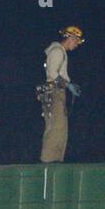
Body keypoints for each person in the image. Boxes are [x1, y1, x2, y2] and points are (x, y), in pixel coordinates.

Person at [39, 26, 84, 163]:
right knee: (55, 127)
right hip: (54, 92)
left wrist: (68, 84)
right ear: (70, 38)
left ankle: (57, 160)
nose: (77, 45)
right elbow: (53, 74)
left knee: (61, 128)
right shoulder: (57, 51)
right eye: (76, 41)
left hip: (58, 93)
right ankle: (48, 161)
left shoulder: (61, 52)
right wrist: (68, 85)